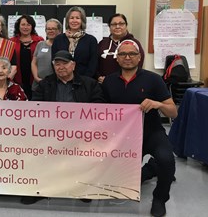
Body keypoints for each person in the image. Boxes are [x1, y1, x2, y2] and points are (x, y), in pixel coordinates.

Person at [101, 39, 177, 217]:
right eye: (122, 54)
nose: (127, 57)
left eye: (132, 54)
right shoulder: (109, 81)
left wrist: (157, 104)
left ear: (139, 57)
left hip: (151, 132)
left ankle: (159, 198)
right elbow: (101, 111)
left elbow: (173, 112)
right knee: (118, 178)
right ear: (117, 58)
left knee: (167, 161)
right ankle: (149, 170)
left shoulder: (154, 79)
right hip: (121, 135)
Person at [24, 50, 104, 205]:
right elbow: (36, 107)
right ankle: (41, 188)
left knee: (86, 152)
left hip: (82, 132)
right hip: (51, 132)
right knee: (37, 150)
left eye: (64, 63)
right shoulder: (45, 84)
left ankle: (82, 188)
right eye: (57, 64)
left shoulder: (89, 84)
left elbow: (99, 107)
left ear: (73, 65)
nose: (61, 67)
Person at [97, 13, 144, 83]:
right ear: (109, 27)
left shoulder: (134, 43)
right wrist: (98, 77)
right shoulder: (102, 43)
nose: (117, 26)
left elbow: (138, 65)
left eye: (121, 24)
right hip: (103, 83)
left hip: (126, 84)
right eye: (114, 24)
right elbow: (96, 63)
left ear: (126, 25)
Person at [51, 6, 98, 78]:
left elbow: (93, 63)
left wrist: (85, 81)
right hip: (61, 80)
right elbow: (53, 61)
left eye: (77, 18)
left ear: (82, 21)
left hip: (84, 81)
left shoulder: (91, 40)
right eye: (72, 18)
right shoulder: (58, 39)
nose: (74, 21)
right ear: (67, 20)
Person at [10, 15, 44, 99]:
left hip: (35, 79)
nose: (25, 27)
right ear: (18, 26)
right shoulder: (11, 41)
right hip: (17, 79)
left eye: (28, 25)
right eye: (23, 24)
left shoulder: (40, 40)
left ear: (32, 26)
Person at [31, 18, 62, 92]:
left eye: (53, 29)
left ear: (59, 31)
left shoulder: (62, 46)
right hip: (38, 84)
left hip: (55, 85)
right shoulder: (40, 44)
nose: (50, 31)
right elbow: (34, 63)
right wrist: (36, 78)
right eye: (48, 29)